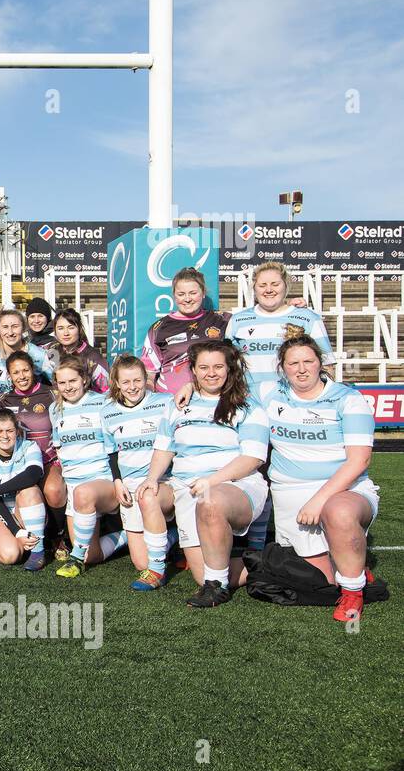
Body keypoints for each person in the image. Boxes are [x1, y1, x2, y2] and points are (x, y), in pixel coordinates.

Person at [136, 340, 270, 607]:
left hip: (235, 484)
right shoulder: (177, 404)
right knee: (202, 575)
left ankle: (219, 585)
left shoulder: (248, 406)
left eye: (219, 366)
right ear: (193, 371)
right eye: (204, 367)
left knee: (210, 501)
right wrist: (151, 478)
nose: (212, 373)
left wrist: (212, 481)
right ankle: (269, 562)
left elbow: (252, 458)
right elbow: (164, 448)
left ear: (229, 369)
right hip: (188, 488)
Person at [262, 334, 378, 622]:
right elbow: (225, 389)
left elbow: (359, 460)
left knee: (337, 512)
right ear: (282, 367)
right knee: (323, 580)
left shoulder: (348, 399)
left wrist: (319, 500)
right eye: (293, 363)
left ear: (320, 363)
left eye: (308, 361)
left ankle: (353, 595)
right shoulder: (268, 393)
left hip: (344, 490)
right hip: (289, 492)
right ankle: (353, 569)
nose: (301, 369)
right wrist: (188, 385)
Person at [99, 354, 176, 588]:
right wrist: (118, 481)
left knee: (148, 496)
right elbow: (111, 451)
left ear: (146, 379)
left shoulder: (166, 402)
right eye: (126, 382)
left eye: (137, 380)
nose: (132, 387)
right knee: (141, 562)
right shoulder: (107, 411)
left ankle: (175, 533)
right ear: (117, 383)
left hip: (164, 482)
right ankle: (174, 536)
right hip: (130, 484)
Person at [49, 355, 126, 579]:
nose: (68, 387)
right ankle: (130, 535)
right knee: (91, 555)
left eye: (72, 381)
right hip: (74, 487)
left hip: (102, 482)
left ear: (84, 379)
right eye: (62, 383)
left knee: (79, 553)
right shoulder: (55, 409)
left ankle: (74, 560)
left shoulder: (104, 403)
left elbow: (115, 446)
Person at [0, 351, 68, 559]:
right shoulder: (4, 400)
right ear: (9, 376)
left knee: (54, 491)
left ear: (33, 370)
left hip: (48, 460)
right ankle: (33, 538)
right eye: (15, 372)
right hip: (20, 464)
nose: (21, 376)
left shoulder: (51, 395)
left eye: (25, 370)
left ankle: (58, 535)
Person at [225, 261, 332, 388]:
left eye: (275, 284)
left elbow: (327, 365)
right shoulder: (237, 320)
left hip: (294, 399)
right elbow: (226, 363)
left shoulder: (308, 318)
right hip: (250, 399)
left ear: (285, 286)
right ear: (254, 288)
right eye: (262, 285)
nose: (269, 290)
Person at [0, 409, 48, 571]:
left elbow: (32, 475)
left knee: (29, 489)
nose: (5, 436)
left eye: (10, 431)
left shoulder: (29, 446)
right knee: (11, 555)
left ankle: (38, 552)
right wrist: (16, 531)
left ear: (17, 431)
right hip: (2, 514)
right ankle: (3, 546)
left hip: (28, 507)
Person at [140, 267, 231, 394]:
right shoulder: (159, 328)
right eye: (181, 294)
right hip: (170, 402)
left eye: (193, 293)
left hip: (213, 401)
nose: (187, 299)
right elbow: (149, 373)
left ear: (203, 292)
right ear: (174, 295)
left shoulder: (222, 320)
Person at [0, 309, 52, 398]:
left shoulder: (39, 354)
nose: (10, 333)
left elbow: (56, 383)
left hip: (34, 406)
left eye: (15, 326)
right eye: (5, 327)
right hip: (3, 408)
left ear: (23, 328)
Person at [51, 307, 110, 393]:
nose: (66, 333)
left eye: (71, 327)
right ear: (55, 331)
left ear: (79, 329)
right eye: (60, 328)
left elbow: (105, 391)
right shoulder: (52, 353)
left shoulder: (93, 357)